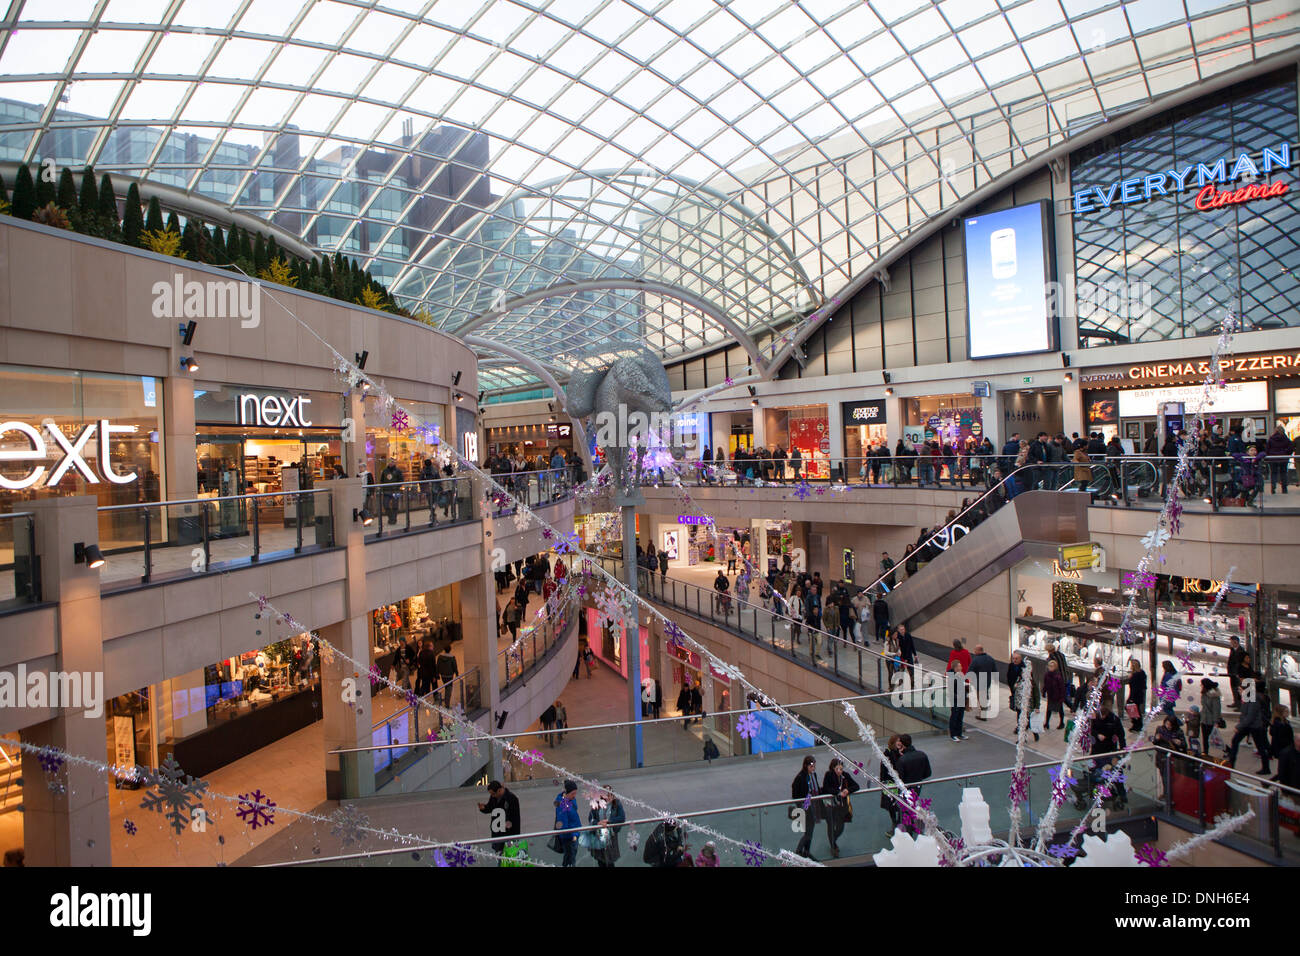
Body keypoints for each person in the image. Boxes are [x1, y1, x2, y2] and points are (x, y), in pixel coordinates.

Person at [821, 757, 860, 858]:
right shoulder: (828, 775)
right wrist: (838, 792)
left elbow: (856, 786)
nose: (839, 771)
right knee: (830, 825)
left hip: (841, 807)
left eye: (841, 769)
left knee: (840, 827)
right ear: (833, 768)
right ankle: (833, 845)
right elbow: (826, 788)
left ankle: (833, 840)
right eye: (837, 769)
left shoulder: (845, 776)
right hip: (830, 805)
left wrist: (847, 790)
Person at [478, 780, 521, 863]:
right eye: (491, 794)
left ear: (499, 790)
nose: (492, 796)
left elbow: (516, 818)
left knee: (509, 859)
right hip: (497, 833)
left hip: (508, 835)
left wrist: (510, 825)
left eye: (493, 794)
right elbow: (490, 807)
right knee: (500, 858)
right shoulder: (494, 797)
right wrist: (483, 809)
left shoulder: (512, 799)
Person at [791, 755, 822, 859]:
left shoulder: (813, 775)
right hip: (806, 806)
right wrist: (802, 806)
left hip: (813, 805)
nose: (813, 768)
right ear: (806, 766)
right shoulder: (801, 777)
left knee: (810, 830)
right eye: (811, 766)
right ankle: (799, 851)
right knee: (808, 831)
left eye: (814, 766)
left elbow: (816, 788)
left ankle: (806, 851)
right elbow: (796, 794)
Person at [1006, 651, 1040, 741]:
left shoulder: (1030, 682)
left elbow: (1036, 694)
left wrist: (1037, 706)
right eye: (1013, 658)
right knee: (1020, 719)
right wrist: (1013, 688)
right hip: (1018, 701)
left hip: (1027, 703)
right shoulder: (1014, 671)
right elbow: (1009, 678)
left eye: (1016, 658)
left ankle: (1027, 736)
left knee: (1026, 719)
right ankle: (1023, 735)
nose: (1014, 660)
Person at [587, 791, 626, 867]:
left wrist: (609, 821)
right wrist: (598, 823)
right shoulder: (597, 803)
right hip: (598, 835)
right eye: (606, 795)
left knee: (610, 858)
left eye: (610, 795)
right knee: (600, 859)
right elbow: (591, 818)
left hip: (611, 835)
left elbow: (621, 818)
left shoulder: (616, 803)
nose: (608, 797)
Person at [553, 780, 582, 867]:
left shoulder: (570, 800)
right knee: (569, 860)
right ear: (567, 793)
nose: (574, 796)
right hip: (569, 838)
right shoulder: (563, 804)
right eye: (573, 793)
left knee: (570, 859)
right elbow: (563, 825)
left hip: (573, 834)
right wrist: (573, 835)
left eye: (575, 793)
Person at [880, 734, 904, 828]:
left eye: (900, 741)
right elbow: (884, 770)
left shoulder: (901, 752)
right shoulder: (888, 753)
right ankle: (895, 822)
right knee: (891, 804)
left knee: (900, 803)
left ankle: (899, 821)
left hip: (899, 782)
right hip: (890, 783)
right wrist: (883, 782)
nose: (899, 743)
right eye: (898, 741)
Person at [968, 644, 997, 719]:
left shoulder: (976, 660)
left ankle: (983, 714)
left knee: (980, 696)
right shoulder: (990, 659)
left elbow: (970, 671)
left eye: (975, 650)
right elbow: (995, 671)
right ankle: (985, 707)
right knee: (985, 693)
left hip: (979, 681)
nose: (974, 651)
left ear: (979, 650)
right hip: (987, 680)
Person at [1265, 422, 1292, 493]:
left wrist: (1268, 456)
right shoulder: (1286, 439)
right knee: (1283, 473)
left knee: (1274, 473)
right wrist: (1286, 453)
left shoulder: (1271, 439)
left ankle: (1273, 487)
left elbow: (1267, 449)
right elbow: (1290, 448)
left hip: (1273, 458)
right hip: (1283, 458)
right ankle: (1284, 488)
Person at [946, 658, 968, 741]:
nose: (961, 667)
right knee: (954, 716)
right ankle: (953, 734)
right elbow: (951, 689)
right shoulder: (952, 676)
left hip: (962, 698)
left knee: (960, 716)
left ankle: (959, 733)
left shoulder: (960, 674)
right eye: (960, 666)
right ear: (955, 667)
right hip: (955, 699)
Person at [1199, 678, 1222, 755]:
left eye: (1202, 684)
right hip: (1204, 719)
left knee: (1214, 738)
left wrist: (1216, 721)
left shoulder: (1214, 696)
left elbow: (1216, 709)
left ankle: (1227, 749)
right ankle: (1205, 752)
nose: (1200, 686)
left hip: (1211, 720)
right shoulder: (1204, 693)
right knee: (1205, 738)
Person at [1043, 657, 1067, 730]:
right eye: (1049, 666)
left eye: (1052, 666)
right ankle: (1047, 723)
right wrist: (1043, 691)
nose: (1050, 668)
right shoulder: (1047, 675)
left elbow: (1062, 688)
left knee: (1060, 709)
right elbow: (1045, 684)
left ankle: (1062, 723)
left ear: (1055, 667)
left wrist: (1062, 697)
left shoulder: (1058, 676)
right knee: (1049, 709)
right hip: (1050, 695)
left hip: (1057, 696)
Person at [1125, 658, 1147, 733]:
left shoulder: (1135, 675)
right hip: (1139, 694)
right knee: (1136, 710)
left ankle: (1137, 725)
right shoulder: (1142, 673)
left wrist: (1131, 698)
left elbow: (1135, 687)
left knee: (1132, 709)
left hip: (1135, 695)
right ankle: (1137, 724)